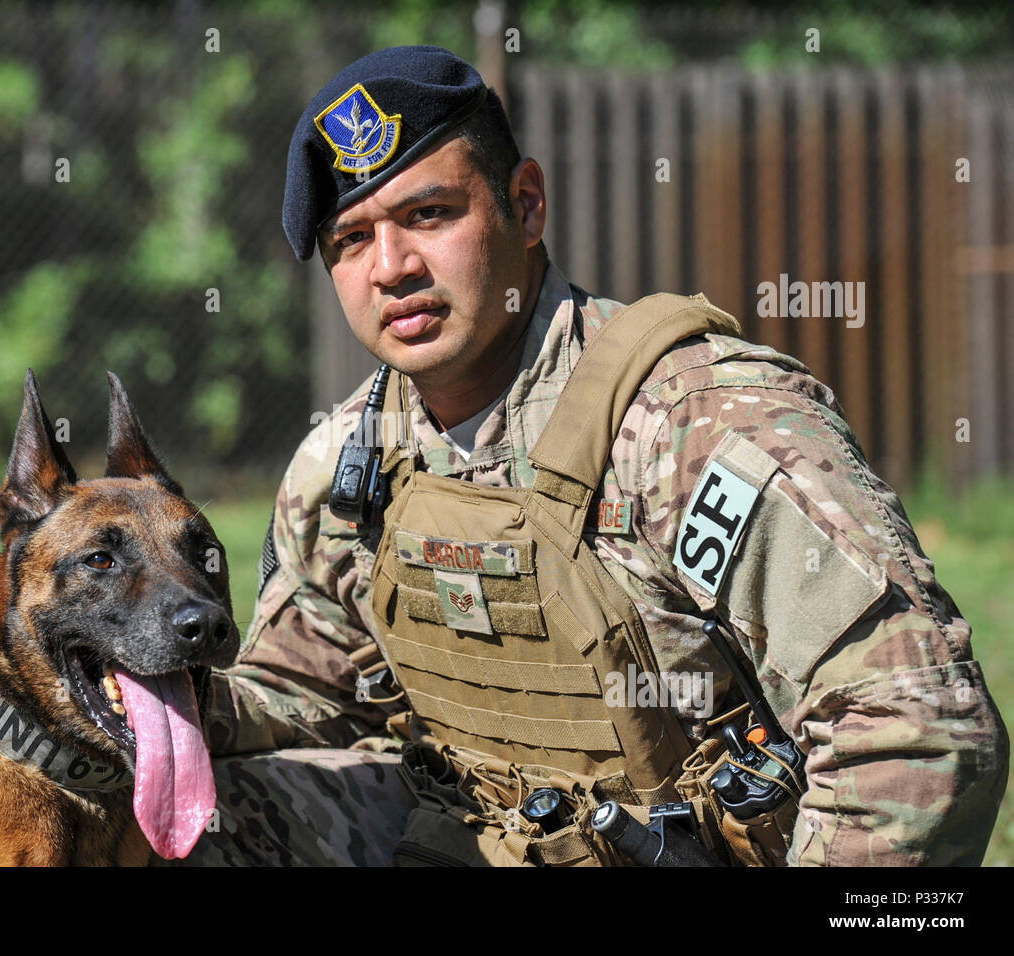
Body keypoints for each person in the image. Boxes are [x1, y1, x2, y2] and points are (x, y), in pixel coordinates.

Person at [182, 45, 1008, 866]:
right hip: (469, 838)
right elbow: (305, 693)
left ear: (527, 206)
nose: (391, 267)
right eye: (352, 240)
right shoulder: (348, 462)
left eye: (429, 215)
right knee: (200, 821)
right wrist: (129, 710)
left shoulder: (694, 424)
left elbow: (914, 725)